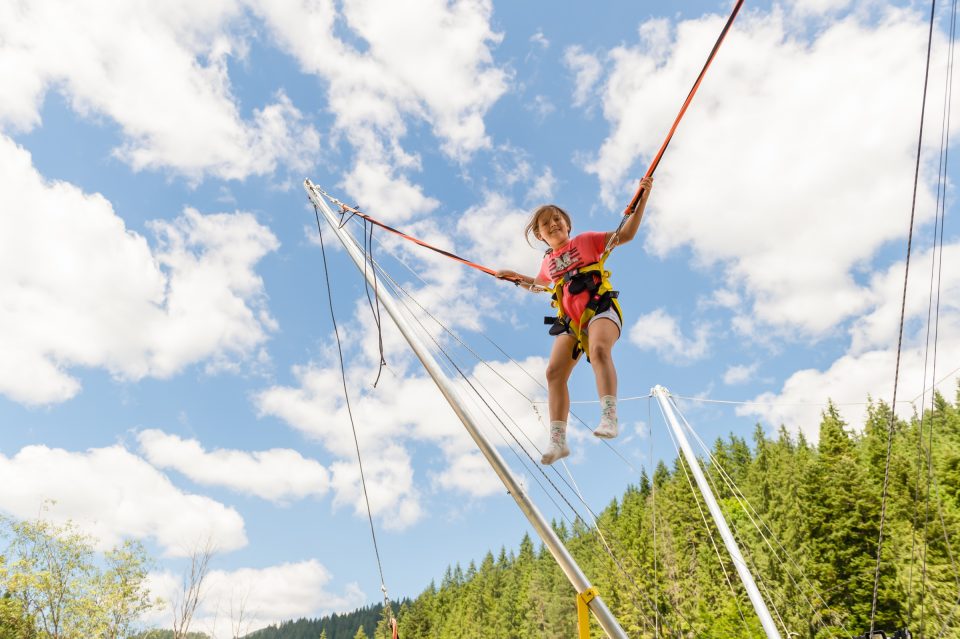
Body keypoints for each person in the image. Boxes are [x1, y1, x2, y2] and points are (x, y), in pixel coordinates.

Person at [497, 177, 654, 464]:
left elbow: (626, 233)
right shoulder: (547, 263)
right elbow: (539, 285)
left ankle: (609, 416)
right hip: (570, 319)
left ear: (568, 225)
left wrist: (642, 198)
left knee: (598, 351)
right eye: (546, 224)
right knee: (553, 373)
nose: (553, 224)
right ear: (540, 235)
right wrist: (515, 278)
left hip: (600, 307)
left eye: (557, 219)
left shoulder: (587, 241)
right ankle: (558, 440)